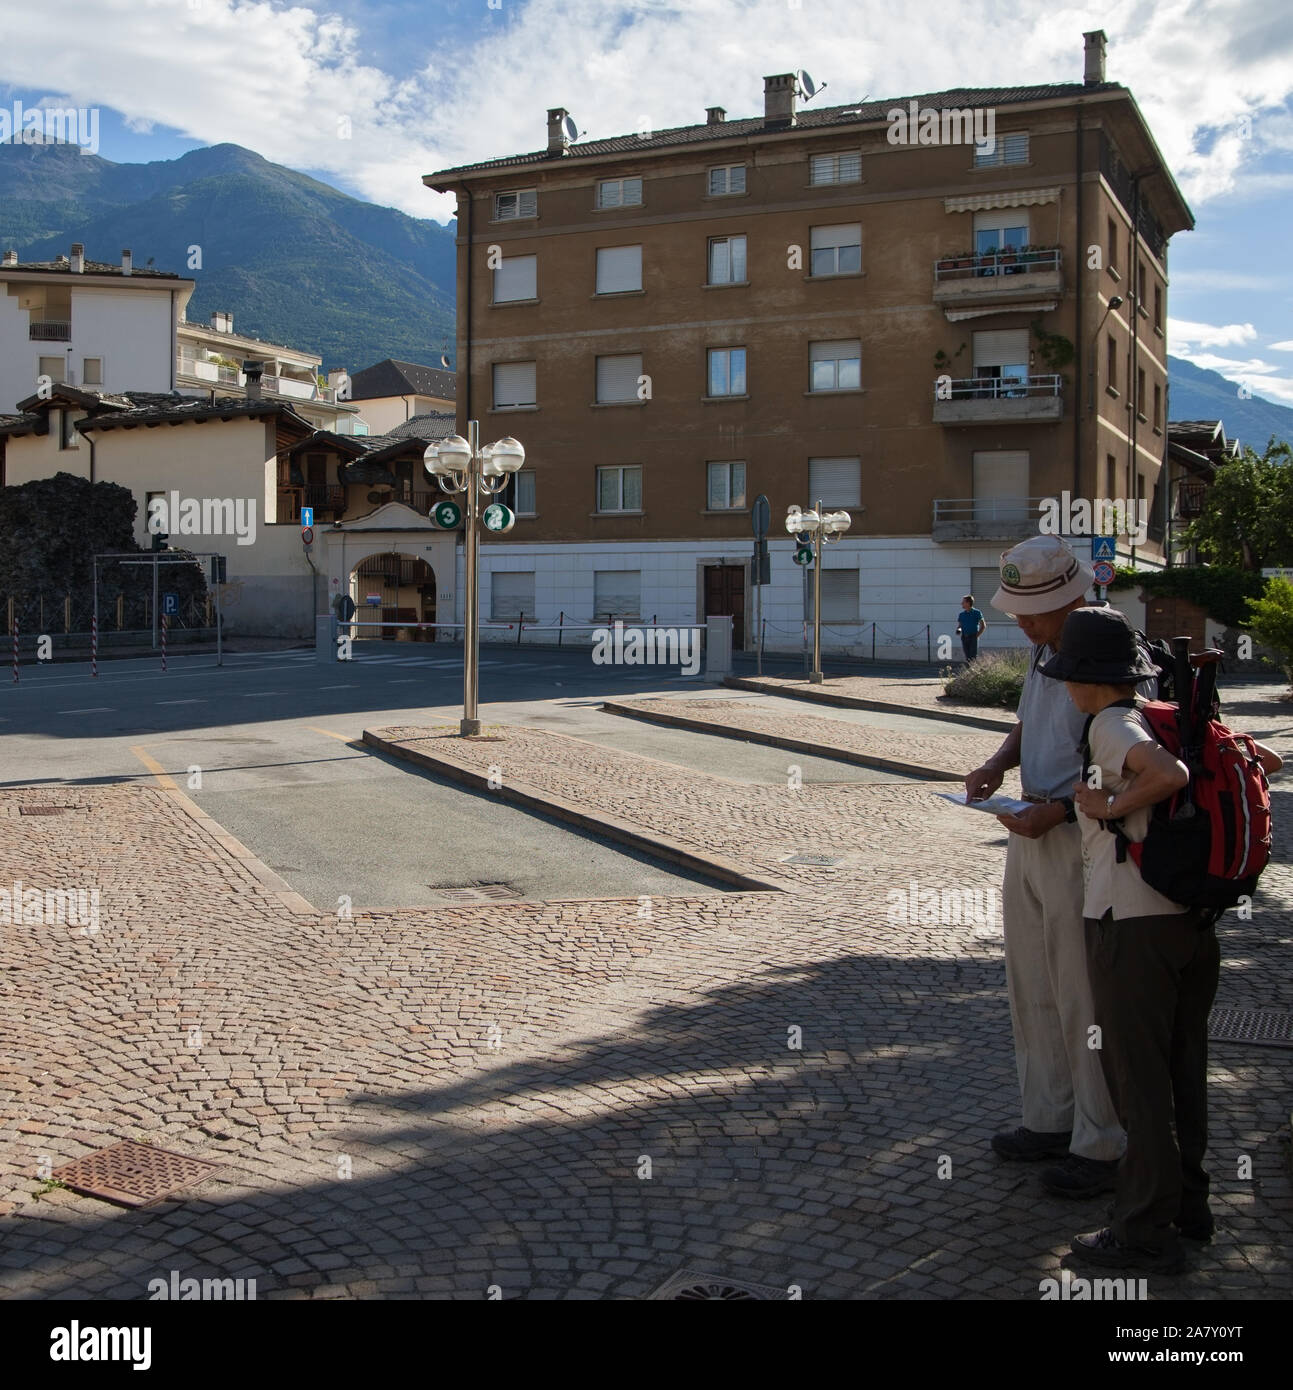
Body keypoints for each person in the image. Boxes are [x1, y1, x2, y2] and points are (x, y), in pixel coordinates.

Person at [1040, 606, 1282, 1271]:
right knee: (1180, 1072)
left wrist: (1107, 805)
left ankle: (1144, 1230)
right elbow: (1266, 757)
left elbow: (1169, 778)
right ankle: (1189, 1207)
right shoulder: (1165, 714)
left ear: (1078, 678)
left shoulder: (1114, 725)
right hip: (1188, 922)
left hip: (1131, 924)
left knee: (1137, 1082)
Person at [963, 536, 1138, 1198]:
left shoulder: (1106, 653)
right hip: (1027, 827)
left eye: (1030, 612)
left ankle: (1100, 1141)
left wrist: (1061, 811)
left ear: (1068, 598)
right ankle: (1049, 1116)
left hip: (1079, 838)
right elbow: (1024, 724)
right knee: (1030, 981)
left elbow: (1127, 763)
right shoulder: (1043, 648)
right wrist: (995, 765)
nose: (1020, 623)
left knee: (1080, 991)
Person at [957, 595, 985, 663]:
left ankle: (973, 671)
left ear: (968, 603)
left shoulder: (977, 612)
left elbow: (983, 625)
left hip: (973, 637)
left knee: (972, 657)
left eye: (963, 602)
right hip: (964, 637)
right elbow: (960, 626)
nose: (961, 603)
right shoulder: (961, 614)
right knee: (967, 656)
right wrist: (958, 630)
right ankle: (969, 671)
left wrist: (976, 636)